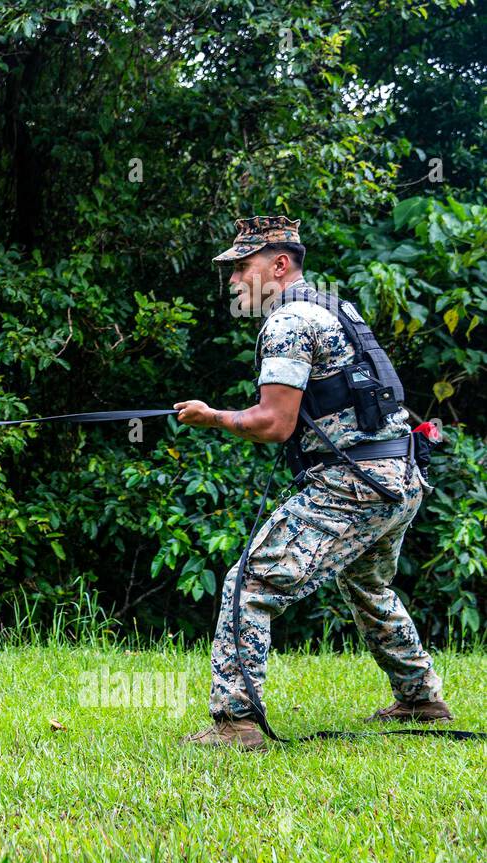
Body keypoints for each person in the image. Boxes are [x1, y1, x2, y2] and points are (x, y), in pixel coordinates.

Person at [173, 215, 450, 750]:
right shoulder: (335, 307)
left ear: (279, 264)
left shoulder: (288, 321)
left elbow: (273, 424)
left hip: (355, 484)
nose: (231, 280)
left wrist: (212, 418)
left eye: (240, 267)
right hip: (398, 476)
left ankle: (237, 724)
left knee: (248, 585)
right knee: (368, 584)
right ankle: (420, 699)